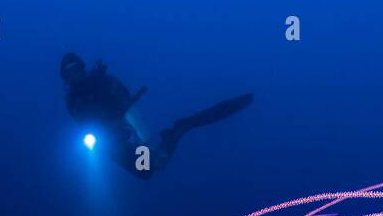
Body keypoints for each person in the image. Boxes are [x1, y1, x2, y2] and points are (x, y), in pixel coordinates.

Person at [60, 52, 252, 179]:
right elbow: (81, 120)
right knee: (145, 174)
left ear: (82, 68)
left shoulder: (103, 81)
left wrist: (113, 109)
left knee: (152, 165)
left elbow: (124, 97)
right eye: (68, 73)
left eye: (75, 69)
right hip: (108, 143)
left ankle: (181, 128)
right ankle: (175, 132)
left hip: (128, 133)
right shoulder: (72, 100)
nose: (73, 75)